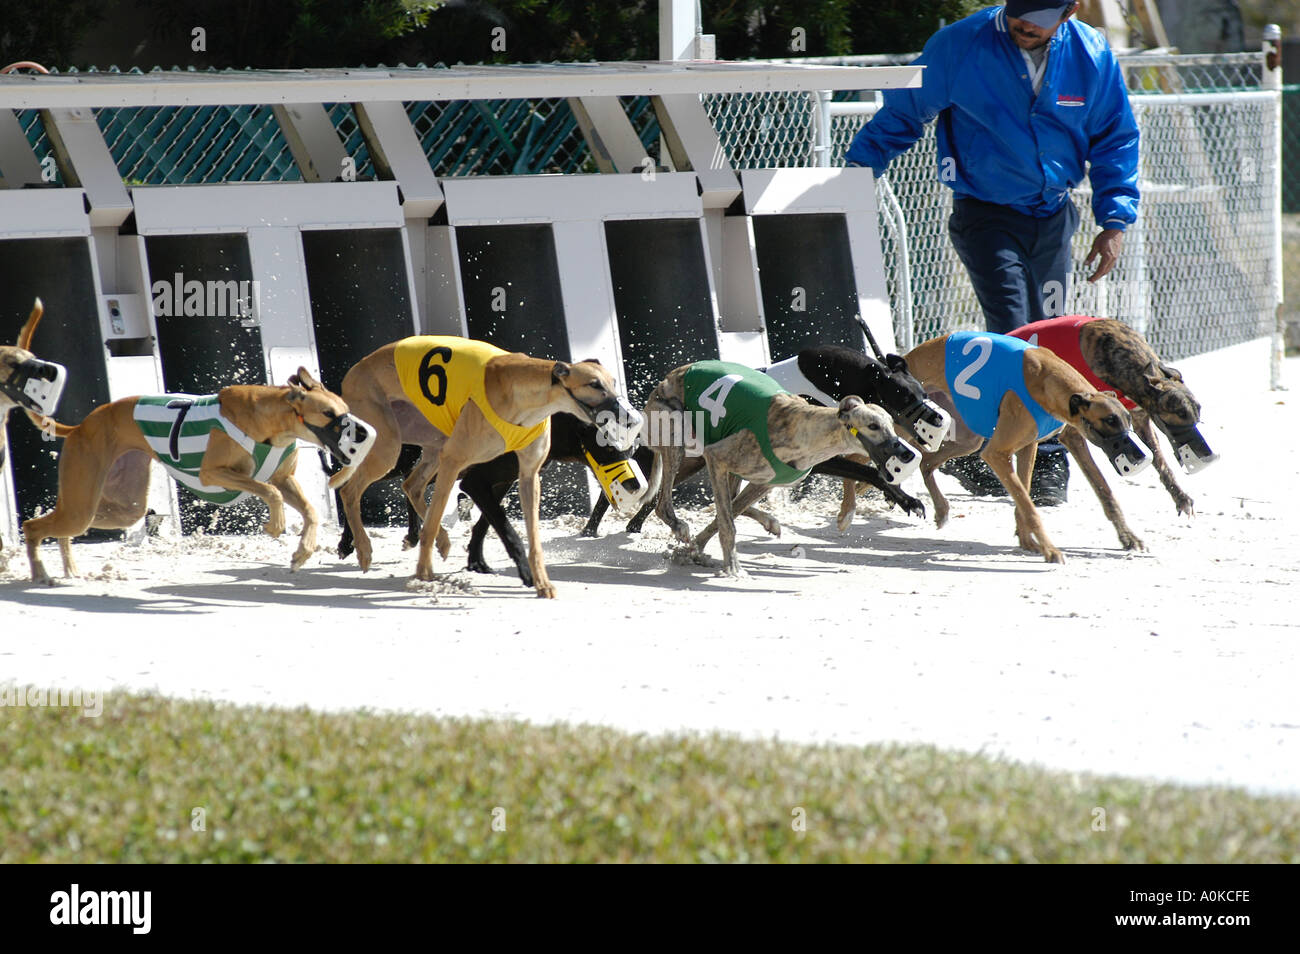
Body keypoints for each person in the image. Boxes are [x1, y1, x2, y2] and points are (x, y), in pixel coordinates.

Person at [846, 1, 1140, 505]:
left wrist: (1114, 221)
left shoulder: (1092, 54)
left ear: (1068, 13)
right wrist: (850, 180)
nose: (1022, 26)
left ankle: (1028, 454)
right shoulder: (960, 45)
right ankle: (1013, 457)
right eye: (1016, 13)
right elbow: (901, 116)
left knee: (1047, 338)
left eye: (1036, 20)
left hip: (1053, 213)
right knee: (1011, 330)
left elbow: (1114, 137)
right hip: (985, 214)